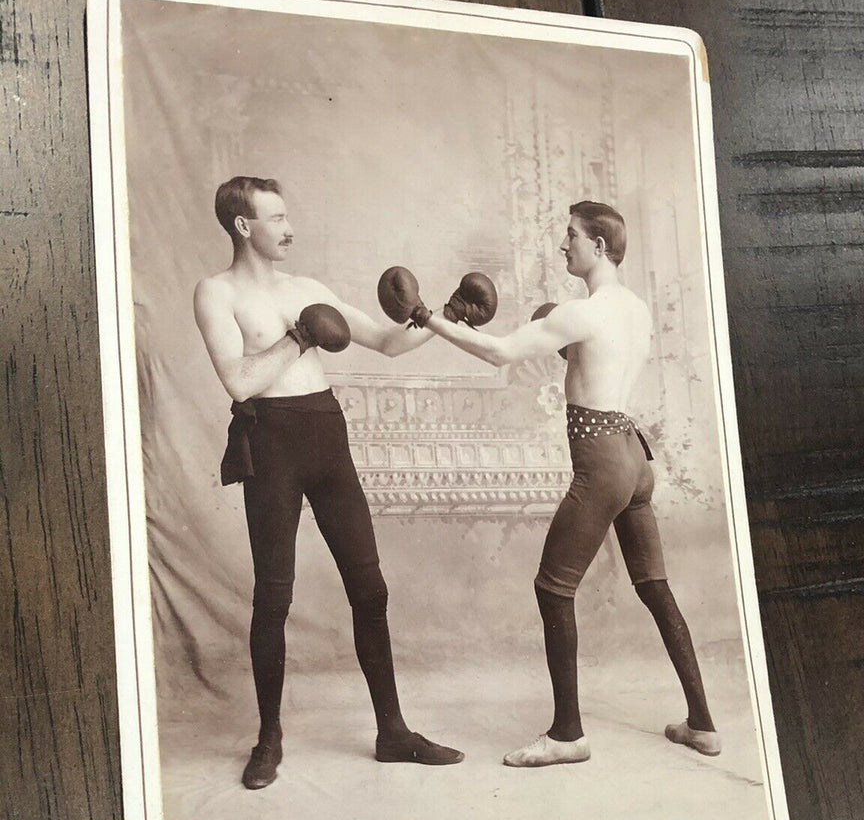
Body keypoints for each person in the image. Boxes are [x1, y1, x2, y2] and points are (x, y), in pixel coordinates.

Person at [416, 200, 720, 766]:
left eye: (571, 237)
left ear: (599, 246)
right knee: (655, 587)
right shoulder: (634, 309)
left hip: (603, 462)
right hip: (635, 455)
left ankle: (567, 734)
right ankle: (703, 725)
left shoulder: (586, 312)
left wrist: (429, 318)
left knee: (552, 588)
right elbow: (595, 363)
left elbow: (502, 352)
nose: (564, 246)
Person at [193, 176, 464, 788]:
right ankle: (268, 739)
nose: (289, 228)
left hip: (326, 435)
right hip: (273, 443)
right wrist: (300, 335)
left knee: (370, 589)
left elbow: (390, 344)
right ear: (243, 226)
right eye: (276, 217)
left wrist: (441, 316)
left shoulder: (308, 288)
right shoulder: (216, 292)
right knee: (274, 596)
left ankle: (392, 732)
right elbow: (238, 381)